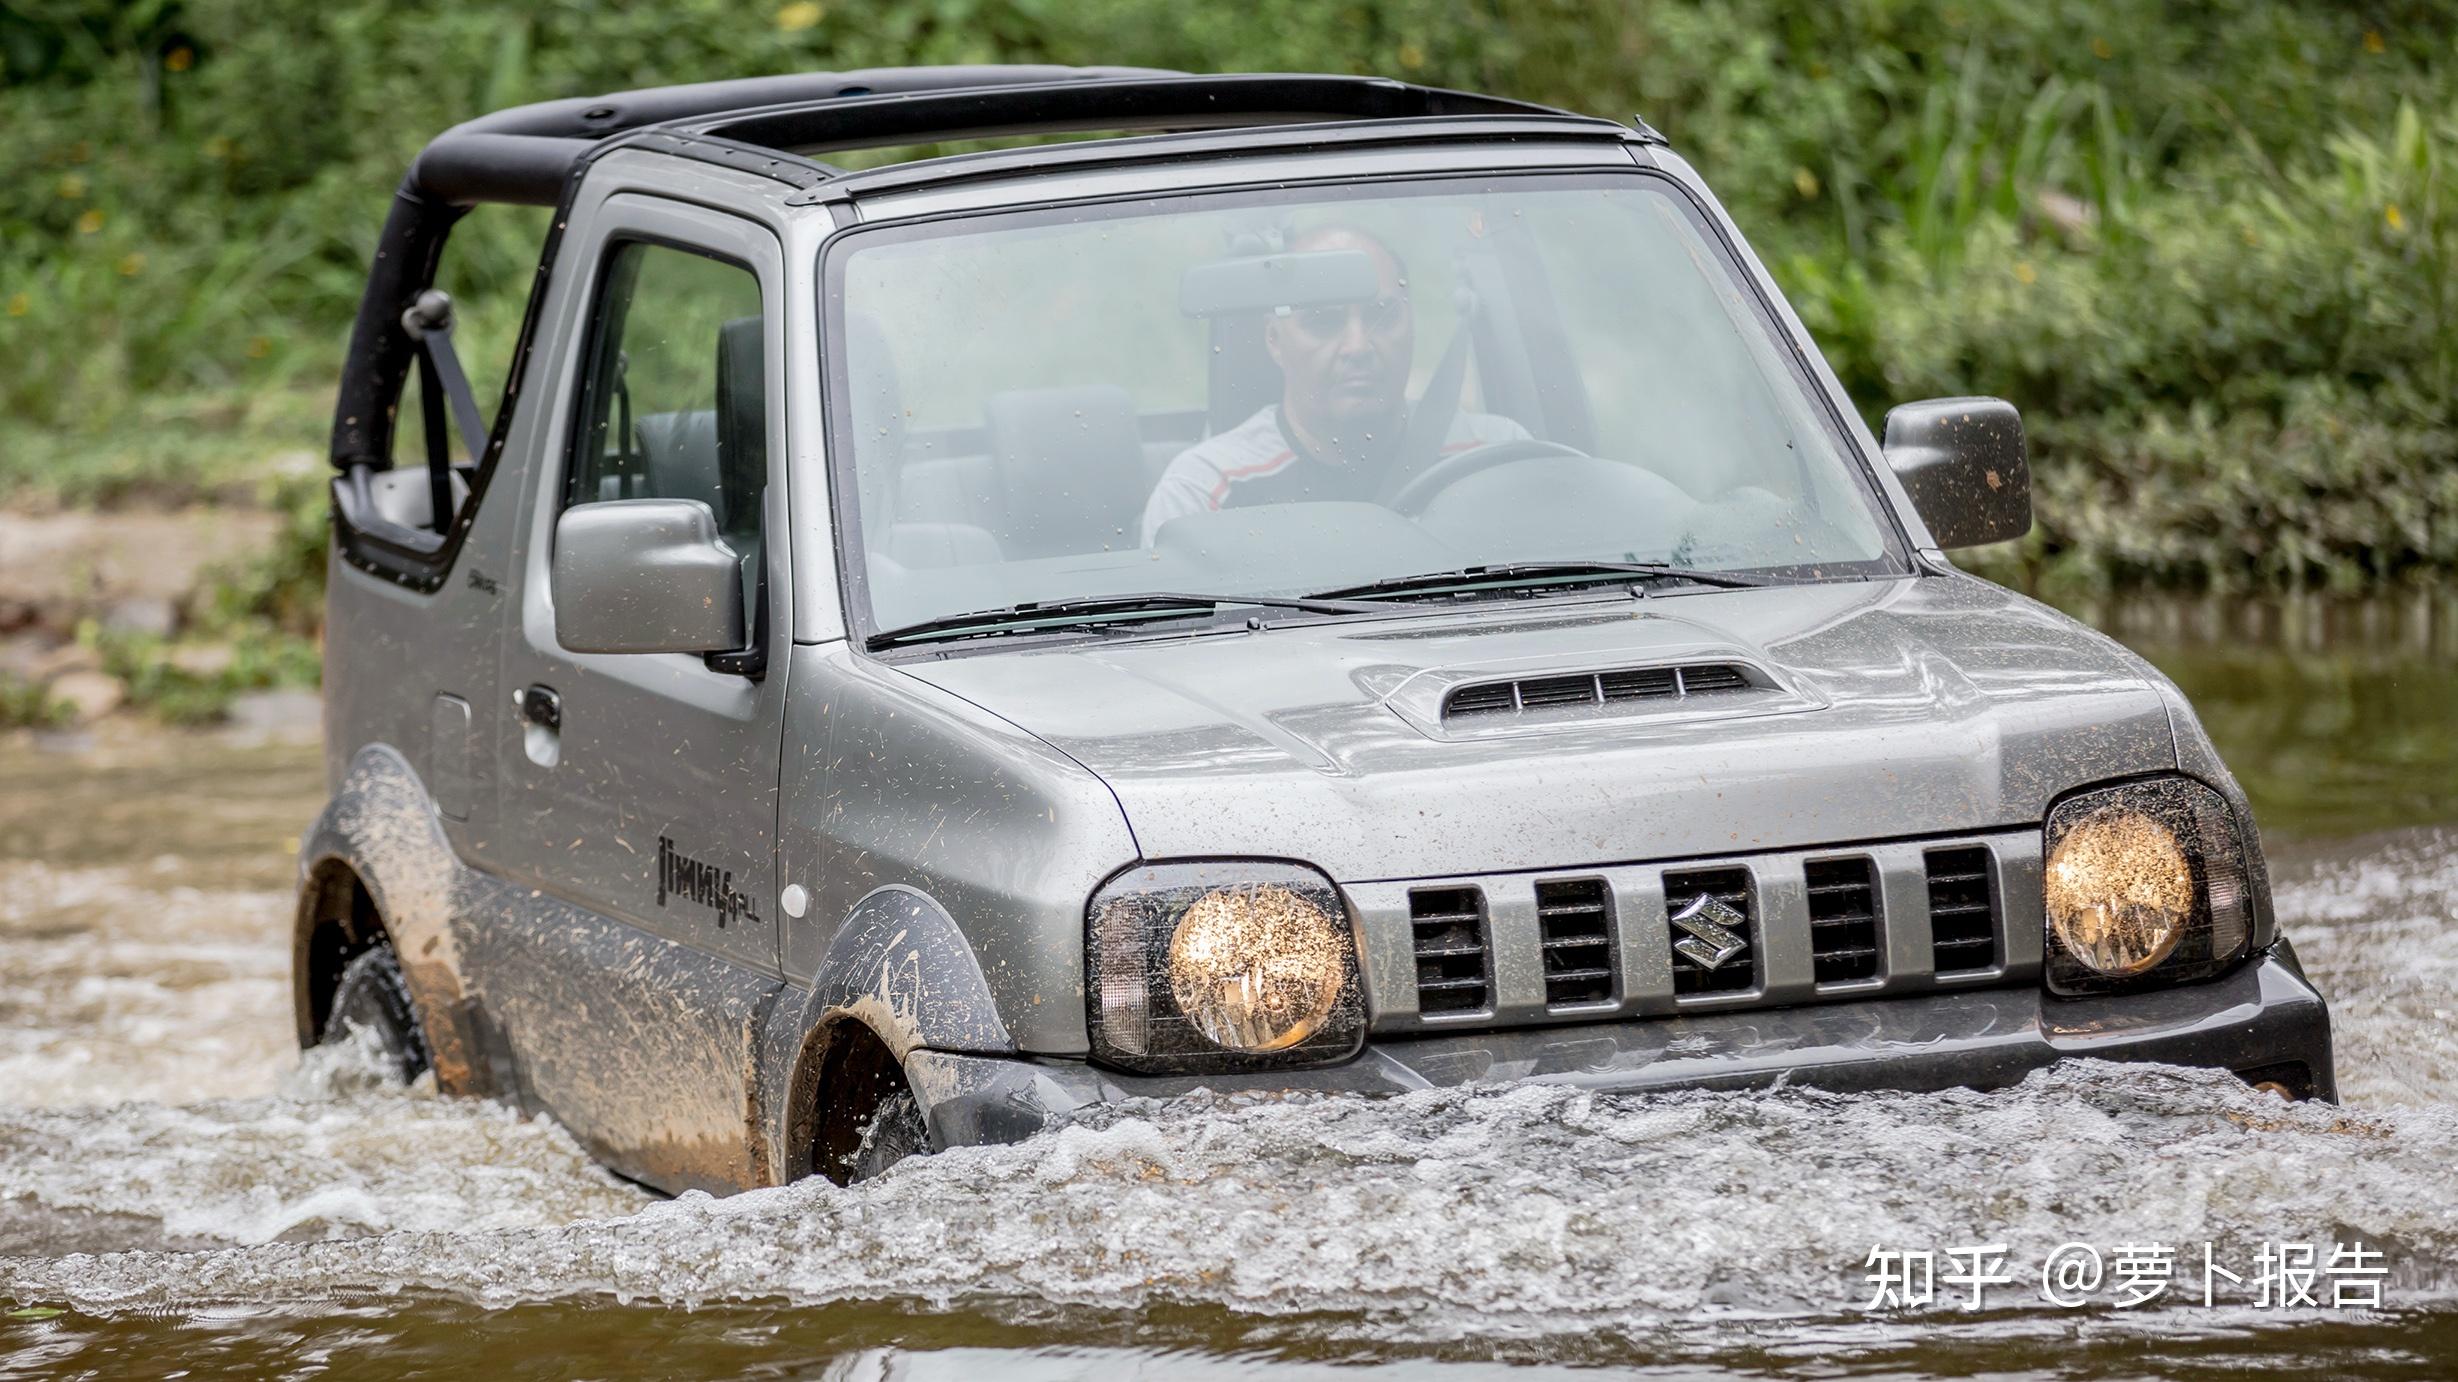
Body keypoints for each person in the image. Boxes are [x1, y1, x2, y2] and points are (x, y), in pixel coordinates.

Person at [1139, 225, 1528, 545]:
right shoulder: (1204, 496)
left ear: (1412, 325)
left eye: (1383, 315)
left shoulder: (1500, 456)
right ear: (1274, 340)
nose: (1358, 346)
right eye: (1323, 322)